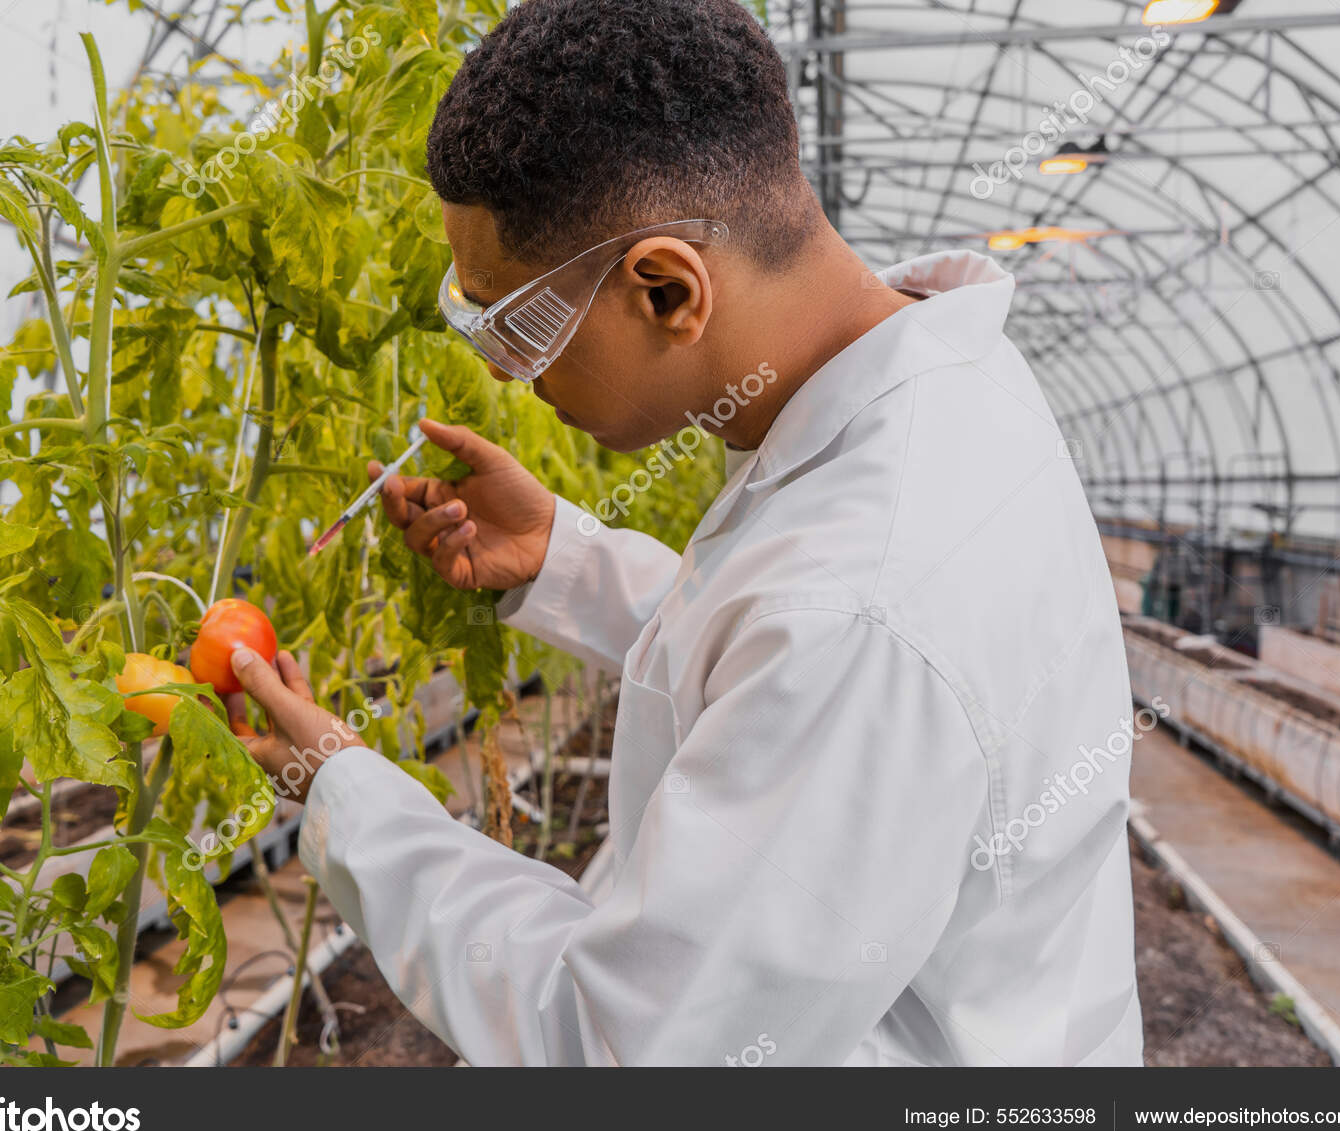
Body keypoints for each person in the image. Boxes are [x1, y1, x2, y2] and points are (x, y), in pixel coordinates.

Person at [228, 0, 1142, 1066]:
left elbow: (617, 1047)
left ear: (666, 287)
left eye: (515, 324)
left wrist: (346, 788)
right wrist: (567, 561)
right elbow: (778, 650)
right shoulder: (936, 381)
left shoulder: (861, 604)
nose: (496, 370)